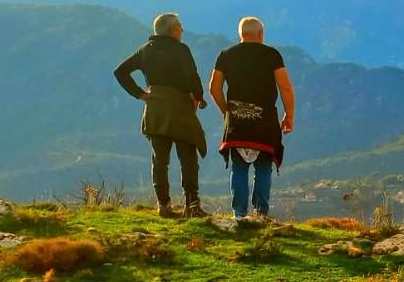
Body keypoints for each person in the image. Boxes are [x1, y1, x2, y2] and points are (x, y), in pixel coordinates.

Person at [114, 12, 208, 217]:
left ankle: (163, 206)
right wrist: (199, 97)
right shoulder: (181, 49)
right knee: (188, 157)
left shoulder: (145, 50)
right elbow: (191, 75)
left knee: (160, 159)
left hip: (155, 108)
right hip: (181, 108)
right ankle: (192, 206)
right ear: (172, 30)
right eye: (180, 26)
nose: (182, 30)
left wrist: (140, 94)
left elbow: (120, 72)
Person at [209, 16, 295, 222]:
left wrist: (225, 110)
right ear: (261, 34)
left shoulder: (226, 55)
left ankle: (239, 214)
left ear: (240, 34)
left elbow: (213, 88)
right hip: (264, 121)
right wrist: (289, 114)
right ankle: (260, 213)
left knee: (239, 167)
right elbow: (285, 87)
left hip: (236, 120)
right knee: (264, 167)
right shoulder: (271, 55)